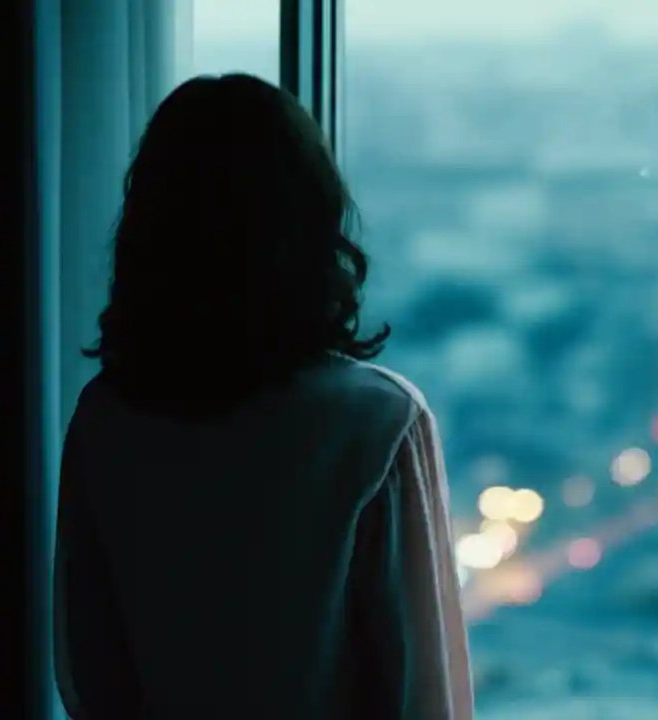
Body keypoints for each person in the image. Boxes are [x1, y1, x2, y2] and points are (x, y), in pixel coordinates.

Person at [52, 73, 473, 719]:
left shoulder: (108, 416)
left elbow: (90, 670)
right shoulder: (377, 422)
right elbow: (422, 693)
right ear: (312, 223)